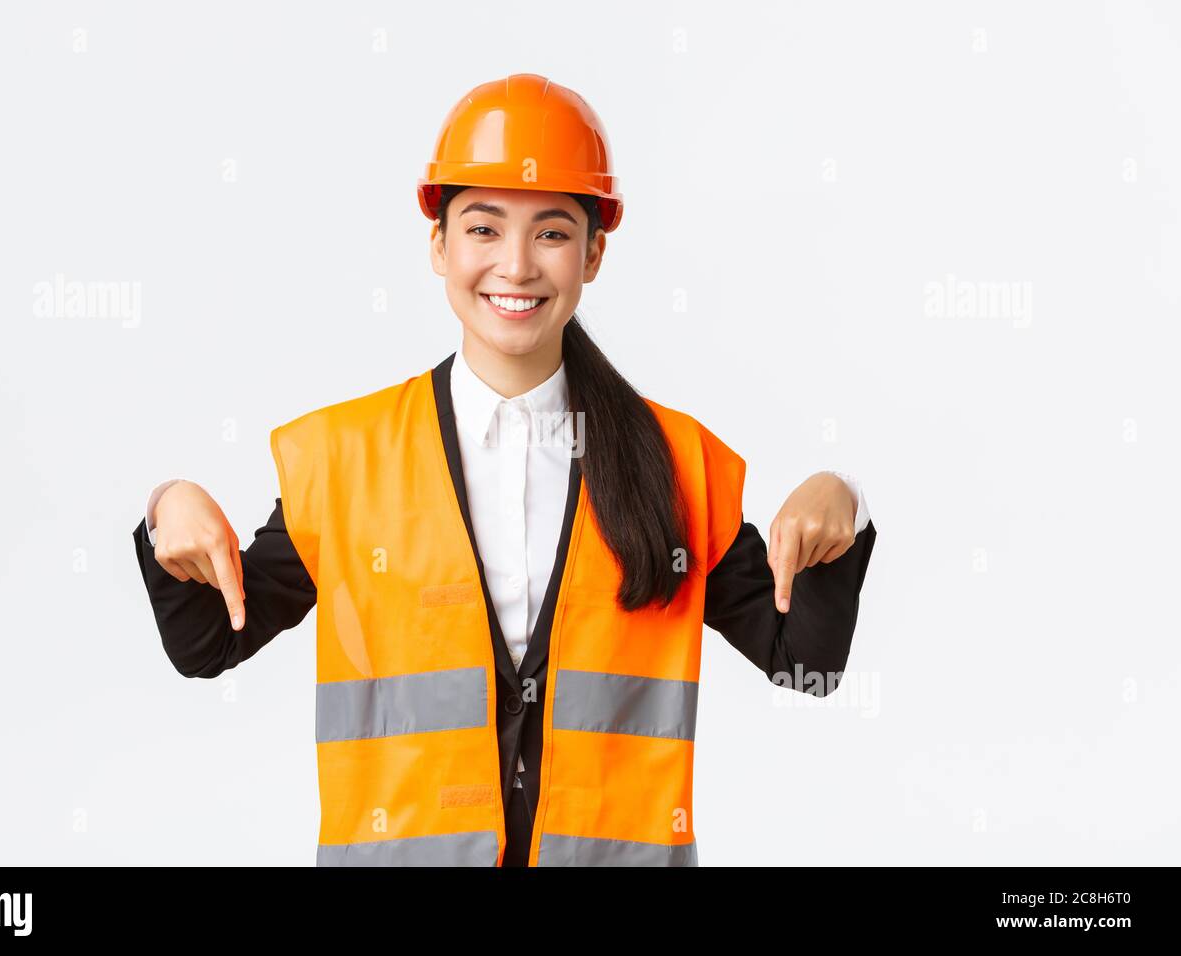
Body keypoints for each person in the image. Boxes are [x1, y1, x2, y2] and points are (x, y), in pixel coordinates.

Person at [133, 73, 877, 866]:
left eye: (552, 234)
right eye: (484, 230)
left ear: (593, 253)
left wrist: (844, 501)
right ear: (439, 245)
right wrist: (167, 508)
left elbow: (806, 667)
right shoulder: (345, 462)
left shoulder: (673, 464)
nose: (516, 266)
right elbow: (208, 645)